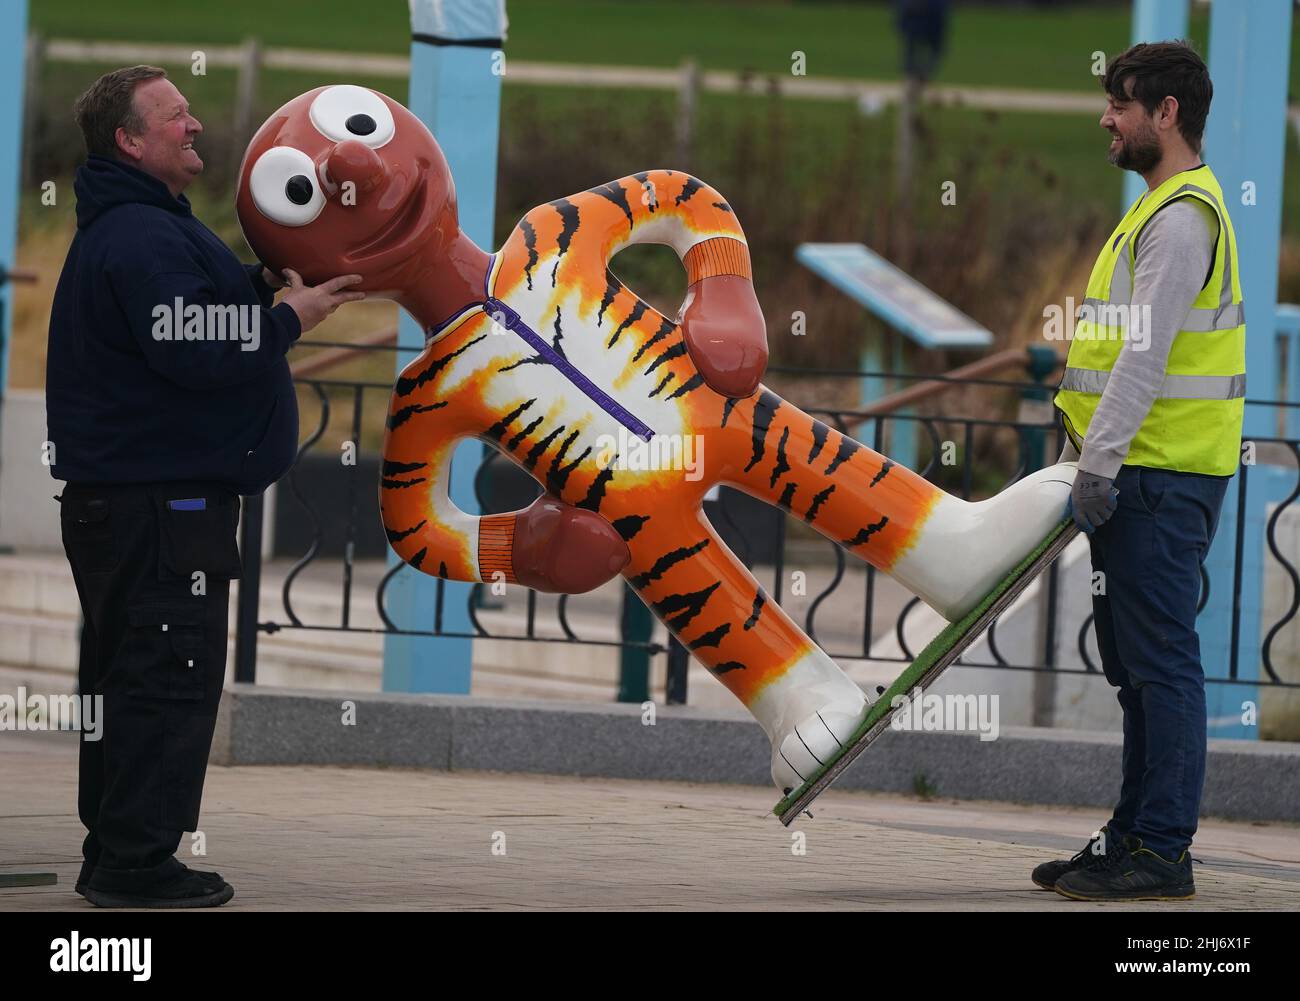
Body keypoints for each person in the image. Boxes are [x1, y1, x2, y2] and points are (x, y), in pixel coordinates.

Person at [46, 65, 364, 908]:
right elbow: (190, 342)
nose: (195, 127)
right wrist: (292, 319)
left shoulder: (140, 226)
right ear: (129, 140)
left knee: (125, 682)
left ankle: (114, 848)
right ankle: (137, 864)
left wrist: (261, 288)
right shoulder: (144, 237)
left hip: (136, 506)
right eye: (176, 116)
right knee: (165, 677)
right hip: (161, 507)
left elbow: (191, 312)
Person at [1039, 41, 1245, 901]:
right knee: (1137, 668)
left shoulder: (1181, 217)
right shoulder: (1161, 210)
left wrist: (1098, 464)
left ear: (1165, 113)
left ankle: (1162, 850)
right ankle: (1130, 835)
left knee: (1161, 667)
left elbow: (1143, 356)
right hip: (1141, 479)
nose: (1107, 119)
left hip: (1155, 482)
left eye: (1121, 104)